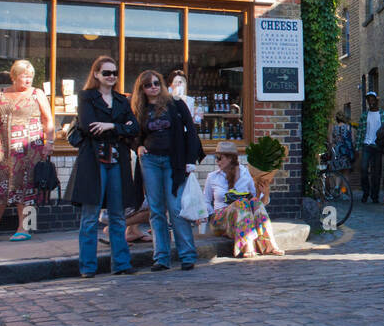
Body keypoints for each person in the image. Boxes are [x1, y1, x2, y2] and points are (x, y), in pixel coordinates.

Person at [72, 55, 140, 278]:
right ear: (96, 74)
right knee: (90, 216)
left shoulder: (122, 100)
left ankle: (121, 263)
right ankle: (87, 267)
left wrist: (110, 125)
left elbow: (134, 128)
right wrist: (120, 127)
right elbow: (88, 125)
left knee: (118, 215)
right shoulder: (86, 97)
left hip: (117, 160)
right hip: (94, 160)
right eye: (106, 73)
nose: (111, 77)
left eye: (114, 73)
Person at [132, 69, 204, 271]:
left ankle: (187, 255)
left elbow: (191, 131)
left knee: (175, 208)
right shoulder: (140, 108)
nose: (153, 87)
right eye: (148, 85)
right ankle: (161, 257)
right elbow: (132, 131)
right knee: (156, 209)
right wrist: (137, 145)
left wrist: (190, 160)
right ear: (142, 89)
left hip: (174, 161)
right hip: (151, 160)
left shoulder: (175, 104)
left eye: (156, 83)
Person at [0, 58, 54, 241]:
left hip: (30, 149)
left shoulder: (37, 94)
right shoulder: (1, 93)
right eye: (24, 76)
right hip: (3, 149)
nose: (28, 80)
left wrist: (49, 143)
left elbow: (48, 120)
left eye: (30, 76)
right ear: (14, 76)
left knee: (28, 188)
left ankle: (26, 228)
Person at [203, 141, 283, 257]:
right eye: (216, 157)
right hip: (220, 220)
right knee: (241, 202)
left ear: (230, 158)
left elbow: (260, 202)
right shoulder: (212, 177)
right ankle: (247, 245)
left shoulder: (246, 175)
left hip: (242, 220)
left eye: (220, 158)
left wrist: (265, 193)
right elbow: (205, 201)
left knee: (254, 202)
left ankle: (271, 245)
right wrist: (207, 216)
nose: (217, 161)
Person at [358, 91, 384, 203]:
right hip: (366, 145)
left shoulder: (382, 114)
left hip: (378, 146)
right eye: (368, 99)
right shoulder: (364, 116)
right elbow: (360, 132)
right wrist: (357, 148)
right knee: (363, 169)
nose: (370, 101)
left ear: (376, 100)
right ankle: (366, 192)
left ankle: (375, 195)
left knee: (376, 172)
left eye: (372, 99)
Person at [328, 111, 356, 176]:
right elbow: (353, 141)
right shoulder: (349, 127)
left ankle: (337, 186)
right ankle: (345, 186)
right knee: (346, 173)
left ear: (337, 119)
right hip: (346, 152)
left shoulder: (333, 128)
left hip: (337, 153)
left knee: (337, 173)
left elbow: (330, 142)